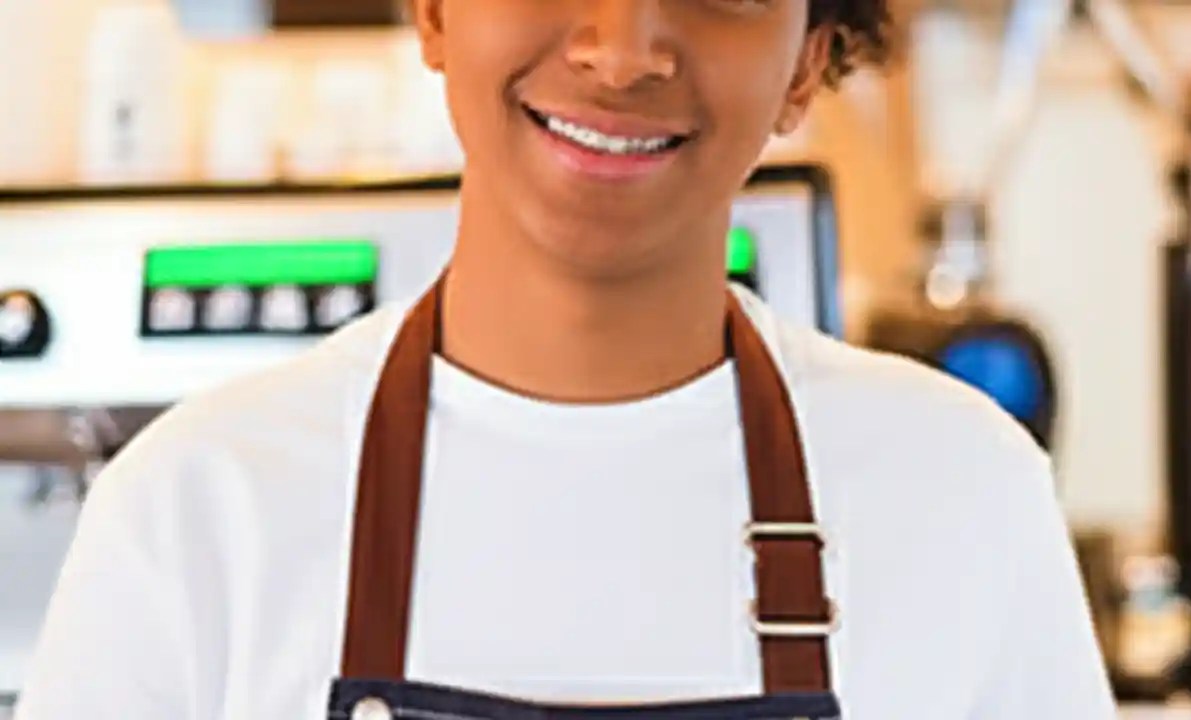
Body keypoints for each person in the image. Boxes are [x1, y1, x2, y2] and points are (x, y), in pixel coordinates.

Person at [16, 1, 1117, 718]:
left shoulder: (963, 495)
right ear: (434, 13)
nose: (620, 49)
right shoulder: (196, 511)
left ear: (805, 66)